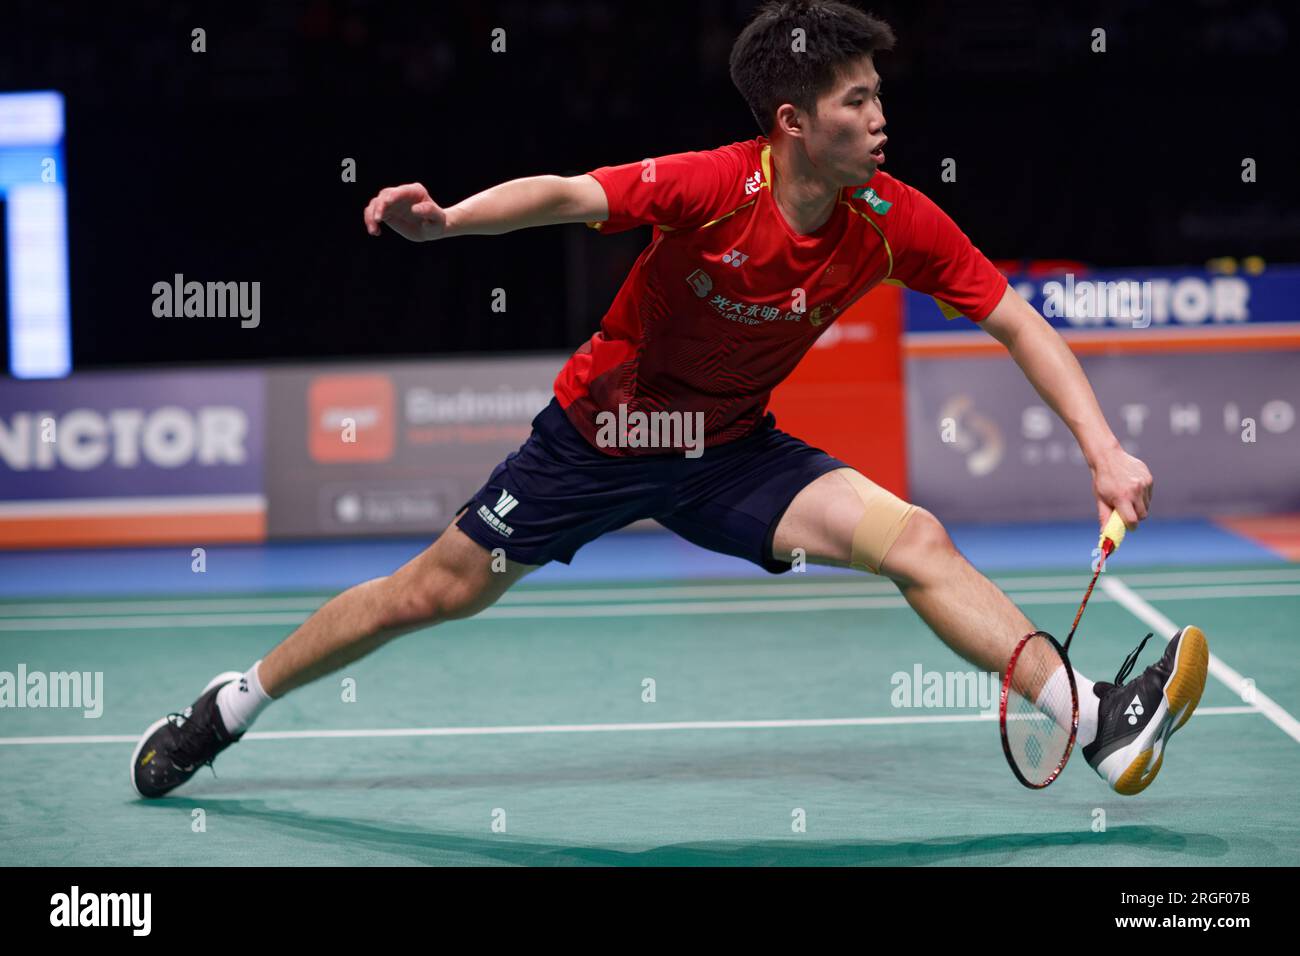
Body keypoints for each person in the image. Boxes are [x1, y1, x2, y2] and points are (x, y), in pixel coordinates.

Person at [131, 0, 1207, 800]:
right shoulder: (710, 186)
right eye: (859, 99)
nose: (883, 115)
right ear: (792, 120)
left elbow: (1012, 315)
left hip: (733, 450)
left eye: (879, 93)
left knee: (915, 536)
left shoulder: (889, 217)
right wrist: (450, 222)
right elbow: (568, 192)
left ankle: (1095, 720)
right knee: (427, 594)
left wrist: (1102, 448)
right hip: (599, 439)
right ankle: (232, 704)